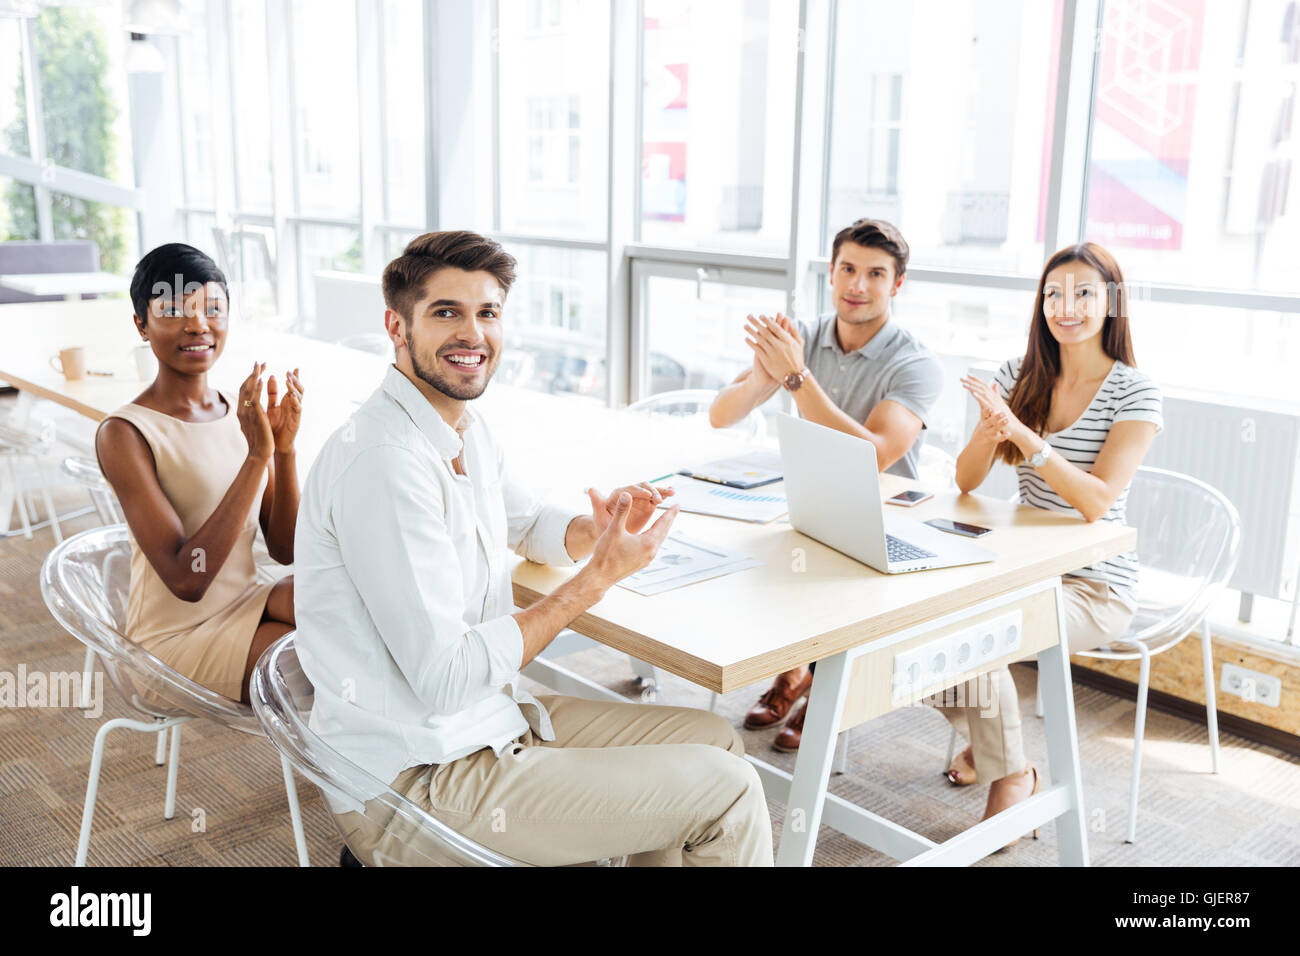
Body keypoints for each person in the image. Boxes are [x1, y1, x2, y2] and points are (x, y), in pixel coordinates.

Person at [294, 230, 773, 867]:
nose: (473, 334)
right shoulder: (386, 463)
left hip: (488, 723)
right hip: (415, 778)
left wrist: (592, 532)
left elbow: (523, 519)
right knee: (728, 793)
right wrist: (594, 580)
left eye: (487, 313)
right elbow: (445, 679)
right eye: (446, 312)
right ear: (396, 325)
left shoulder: (458, 425)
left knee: (717, 743)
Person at [940, 241, 1162, 839]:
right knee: (909, 623)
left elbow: (1096, 502)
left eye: (1084, 293)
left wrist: (1028, 439)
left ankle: (1004, 773)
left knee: (973, 634)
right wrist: (993, 429)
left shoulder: (1134, 392)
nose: (1067, 307)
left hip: (1095, 582)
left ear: (1112, 302)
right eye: (1054, 294)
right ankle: (1006, 758)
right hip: (1022, 564)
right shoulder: (1019, 374)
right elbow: (964, 481)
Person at [711, 218, 944, 750]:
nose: (857, 286)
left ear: (897, 284)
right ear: (832, 272)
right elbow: (720, 416)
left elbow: (875, 456)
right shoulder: (804, 337)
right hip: (807, 501)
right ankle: (795, 671)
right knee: (746, 558)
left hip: (884, 516)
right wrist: (762, 376)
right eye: (847, 269)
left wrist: (796, 377)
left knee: (825, 578)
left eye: (875, 274)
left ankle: (823, 685)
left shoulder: (916, 363)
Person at [96, 243, 302, 703]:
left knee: (344, 603)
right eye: (173, 310)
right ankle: (397, 769)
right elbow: (187, 579)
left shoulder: (238, 410)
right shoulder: (125, 433)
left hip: (245, 602)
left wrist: (283, 452)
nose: (197, 325)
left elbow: (286, 548)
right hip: (173, 641)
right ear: (141, 325)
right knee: (328, 659)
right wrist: (255, 459)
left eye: (213, 308)